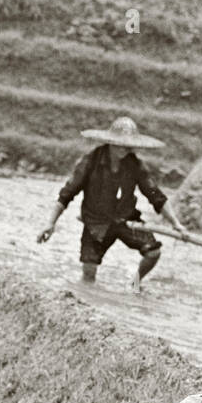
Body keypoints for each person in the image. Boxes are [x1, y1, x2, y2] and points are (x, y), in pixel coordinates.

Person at [36, 116, 188, 291]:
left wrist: (176, 224)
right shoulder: (91, 161)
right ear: (110, 142)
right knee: (88, 274)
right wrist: (50, 223)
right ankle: (88, 299)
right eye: (119, 143)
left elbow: (155, 195)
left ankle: (135, 284)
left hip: (126, 219)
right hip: (96, 223)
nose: (123, 148)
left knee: (153, 253)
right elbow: (67, 193)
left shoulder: (135, 165)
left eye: (127, 144)